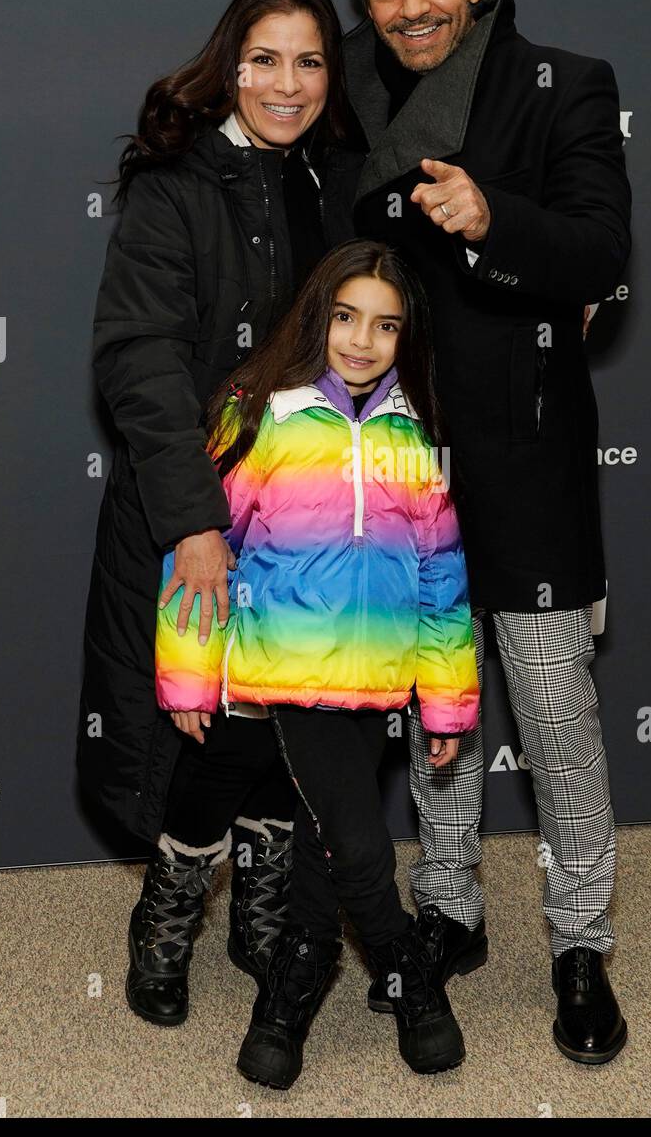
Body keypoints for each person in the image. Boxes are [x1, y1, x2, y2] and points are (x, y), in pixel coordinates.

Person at [340, 0, 633, 1064]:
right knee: (432, 709)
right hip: (404, 467)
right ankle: (449, 907)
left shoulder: (566, 82)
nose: (412, 7)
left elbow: (603, 251)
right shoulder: (355, 98)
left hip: (527, 454)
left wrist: (489, 217)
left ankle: (580, 943)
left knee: (557, 719)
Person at [76, 0, 365, 1026]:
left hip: (314, 517)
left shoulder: (337, 180)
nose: (286, 84)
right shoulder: (174, 185)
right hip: (200, 510)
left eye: (309, 61)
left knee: (292, 718)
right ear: (228, 63)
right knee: (204, 733)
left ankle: (265, 912)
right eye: (264, 59)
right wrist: (194, 521)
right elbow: (139, 360)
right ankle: (169, 911)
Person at [155, 238, 480, 1087]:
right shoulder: (258, 412)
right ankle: (409, 977)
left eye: (385, 325)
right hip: (290, 667)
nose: (362, 340)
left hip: (378, 683)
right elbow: (200, 556)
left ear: (406, 337)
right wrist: (190, 673)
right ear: (317, 317)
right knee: (363, 844)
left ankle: (295, 977)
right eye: (346, 317)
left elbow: (443, 577)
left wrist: (446, 700)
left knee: (325, 836)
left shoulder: (418, 433)